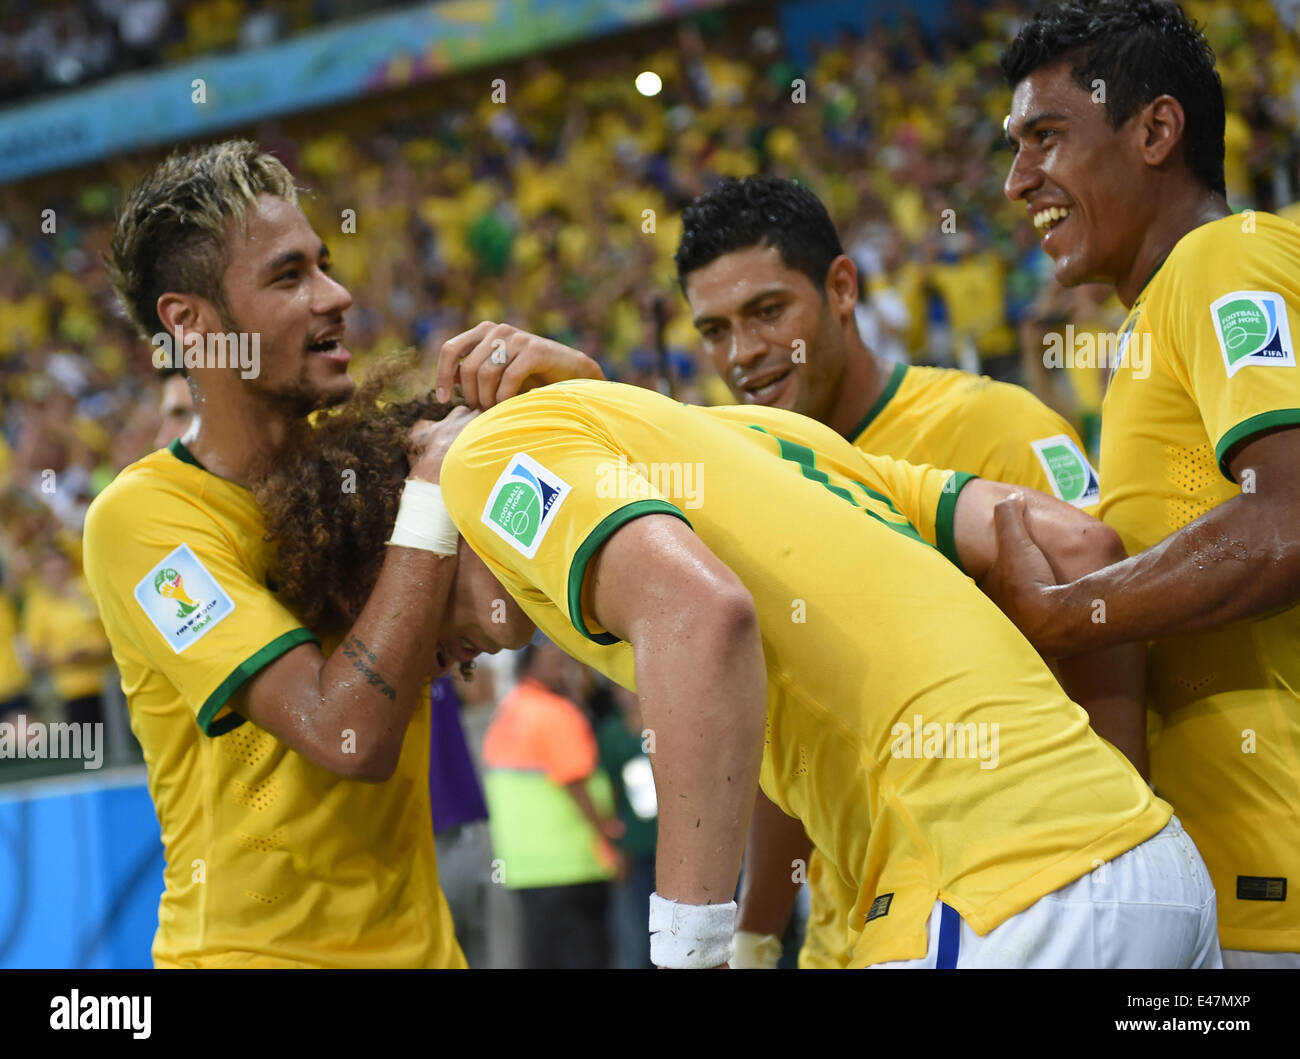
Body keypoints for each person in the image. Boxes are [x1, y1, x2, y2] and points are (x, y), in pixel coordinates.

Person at [257, 369, 1219, 969]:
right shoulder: (763, 439)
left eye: (410, 624)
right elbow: (1078, 545)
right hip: (1150, 864)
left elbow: (703, 617)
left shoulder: (482, 461)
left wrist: (690, 950)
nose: (440, 665)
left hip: (999, 898)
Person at [670, 175, 1140, 967]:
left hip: (1012, 914)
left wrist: (1122, 870)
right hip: (847, 935)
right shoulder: (748, 480)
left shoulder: (996, 430)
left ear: (842, 288)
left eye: (767, 312)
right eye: (714, 329)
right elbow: (796, 738)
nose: (742, 354)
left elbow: (1112, 627)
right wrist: (755, 932)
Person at [82, 139, 483, 968]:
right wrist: (435, 492)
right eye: (288, 276)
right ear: (191, 322)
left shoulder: (365, 470)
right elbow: (346, 735)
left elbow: (511, 618)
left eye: (325, 266)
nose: (336, 296)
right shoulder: (143, 521)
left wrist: (556, 391)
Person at [992, 0, 1300, 968]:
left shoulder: (1224, 258)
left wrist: (1066, 611)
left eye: (1045, 137)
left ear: (1155, 131)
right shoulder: (1149, 322)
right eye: (1012, 147)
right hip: (1224, 891)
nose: (1016, 182)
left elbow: (1289, 519)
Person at [481, 637, 621, 968]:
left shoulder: (509, 710)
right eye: (560, 660)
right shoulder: (557, 714)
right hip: (573, 866)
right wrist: (608, 831)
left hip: (527, 869)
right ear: (533, 661)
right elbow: (574, 780)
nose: (569, 667)